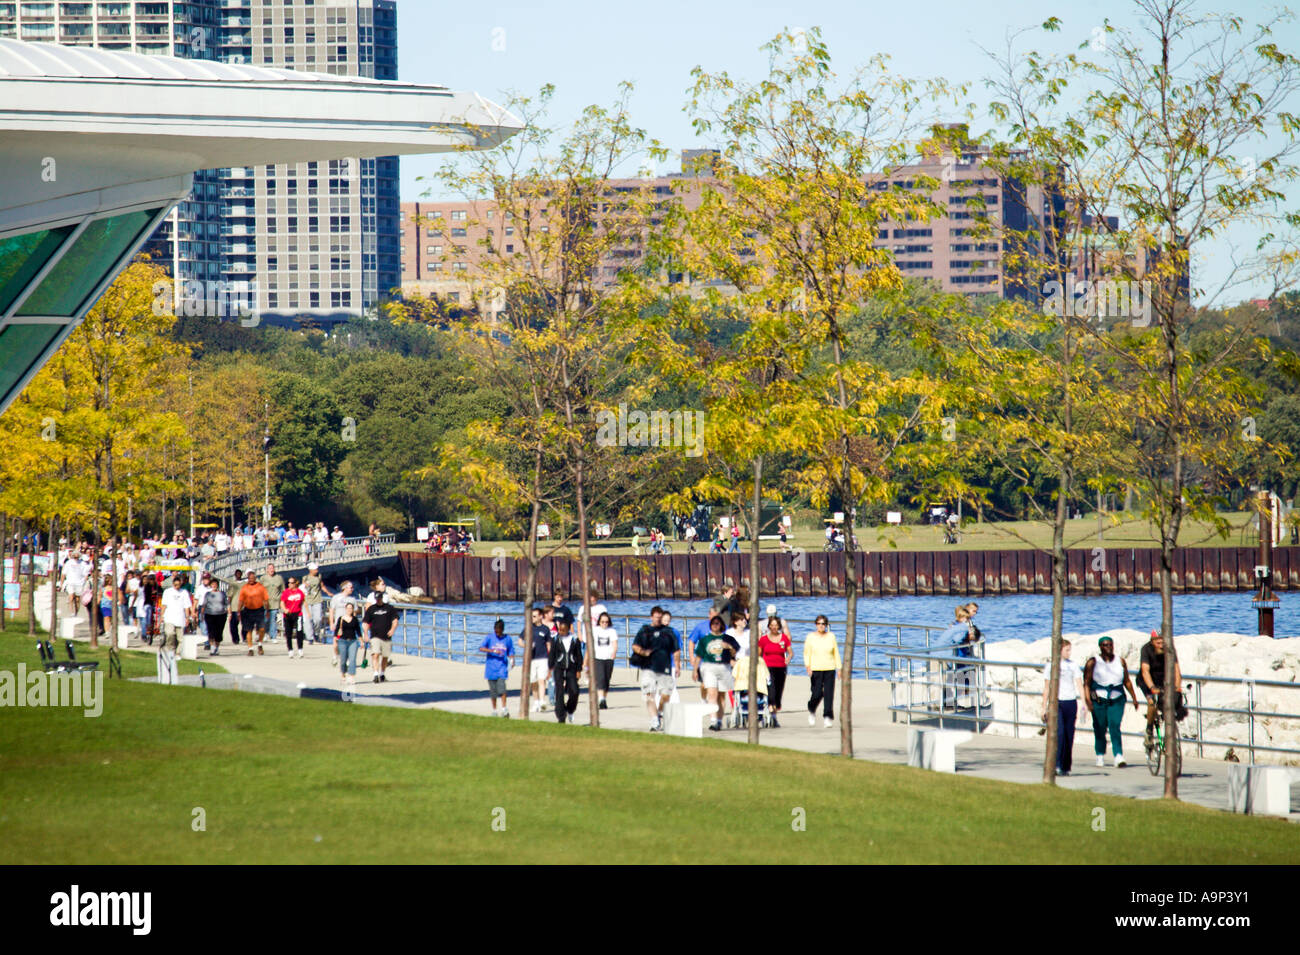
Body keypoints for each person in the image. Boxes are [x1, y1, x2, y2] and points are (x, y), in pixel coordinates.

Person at [1083, 636, 1140, 768]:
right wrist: (1088, 701)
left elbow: (1127, 681)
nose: (1108, 647)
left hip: (1117, 698)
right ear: (1100, 647)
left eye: (1110, 644)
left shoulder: (1120, 661)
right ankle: (1100, 754)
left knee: (1115, 725)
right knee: (1100, 727)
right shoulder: (1093, 662)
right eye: (1105, 645)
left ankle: (1118, 755)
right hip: (1099, 699)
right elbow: (1086, 683)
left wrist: (1134, 698)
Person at [1041, 640, 1087, 776]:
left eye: (1070, 650)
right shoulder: (1051, 666)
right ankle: (1056, 764)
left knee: (1069, 734)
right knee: (1059, 734)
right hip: (1057, 702)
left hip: (1070, 702)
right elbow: (1046, 687)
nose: (1069, 653)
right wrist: (1044, 706)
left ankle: (1066, 766)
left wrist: (1083, 703)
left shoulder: (1073, 666)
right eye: (1067, 650)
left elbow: (1079, 685)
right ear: (1060, 650)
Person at [632, 606, 678, 732]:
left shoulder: (668, 632)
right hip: (648, 667)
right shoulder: (644, 630)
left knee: (665, 695)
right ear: (651, 617)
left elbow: (676, 650)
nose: (658, 619)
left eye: (660, 617)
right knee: (649, 695)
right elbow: (635, 646)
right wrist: (643, 652)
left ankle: (659, 712)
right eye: (656, 617)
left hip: (665, 667)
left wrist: (678, 666)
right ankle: (654, 721)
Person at [694, 615, 740, 731]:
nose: (715, 625)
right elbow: (699, 656)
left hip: (724, 667)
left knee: (721, 696)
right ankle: (713, 720)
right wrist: (695, 670)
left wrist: (728, 647)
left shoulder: (728, 638)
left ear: (721, 625)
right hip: (709, 667)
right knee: (712, 693)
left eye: (717, 623)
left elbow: (735, 653)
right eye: (713, 623)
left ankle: (719, 720)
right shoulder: (705, 640)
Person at [1139, 629, 1185, 746]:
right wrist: (1152, 687)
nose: (1161, 645)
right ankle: (1149, 730)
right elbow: (1145, 671)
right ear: (1152, 642)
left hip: (1162, 680)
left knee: (1171, 702)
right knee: (1152, 702)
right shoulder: (1146, 649)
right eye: (1158, 643)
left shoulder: (1170, 649)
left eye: (1162, 643)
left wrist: (1177, 687)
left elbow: (1176, 670)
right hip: (1147, 680)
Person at [804, 615, 841, 728]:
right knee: (817, 693)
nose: (821, 626)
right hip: (816, 669)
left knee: (829, 693)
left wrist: (839, 668)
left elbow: (836, 652)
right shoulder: (810, 637)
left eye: (823, 624)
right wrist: (808, 667)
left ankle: (828, 716)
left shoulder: (831, 636)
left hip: (829, 668)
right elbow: (807, 653)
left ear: (826, 625)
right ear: (816, 625)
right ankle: (812, 708)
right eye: (819, 623)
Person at [547, 619, 584, 723]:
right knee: (559, 692)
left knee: (574, 691)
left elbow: (579, 656)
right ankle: (561, 716)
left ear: (568, 630)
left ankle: (570, 710)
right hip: (559, 668)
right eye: (559, 630)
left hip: (571, 668)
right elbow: (552, 655)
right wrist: (550, 669)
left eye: (563, 630)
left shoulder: (574, 640)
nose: (561, 632)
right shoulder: (555, 640)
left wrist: (579, 669)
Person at [758, 615, 793, 725]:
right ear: (768, 626)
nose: (774, 627)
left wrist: (788, 658)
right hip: (768, 668)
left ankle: (774, 715)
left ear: (779, 626)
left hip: (781, 668)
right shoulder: (763, 639)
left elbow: (790, 651)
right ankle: (770, 713)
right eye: (772, 625)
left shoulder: (784, 638)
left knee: (778, 692)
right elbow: (759, 654)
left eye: (776, 625)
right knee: (771, 690)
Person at [479, 619, 515, 717]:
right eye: (496, 632)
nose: (498, 634)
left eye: (499, 632)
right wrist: (492, 651)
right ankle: (494, 710)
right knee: (493, 691)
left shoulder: (507, 639)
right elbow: (481, 648)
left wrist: (512, 660)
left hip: (502, 668)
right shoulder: (489, 638)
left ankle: (504, 708)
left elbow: (511, 651)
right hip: (491, 669)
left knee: (502, 689)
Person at [362, 590, 398, 683]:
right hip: (375, 636)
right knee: (375, 654)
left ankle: (382, 673)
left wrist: (393, 629)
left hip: (386, 636)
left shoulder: (389, 608)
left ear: (382, 598)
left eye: (379, 598)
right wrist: (365, 634)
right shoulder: (371, 609)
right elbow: (365, 622)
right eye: (376, 598)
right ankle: (375, 674)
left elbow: (395, 620)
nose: (378, 600)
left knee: (385, 656)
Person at [522, 606, 551, 714]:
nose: (532, 618)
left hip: (543, 658)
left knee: (541, 680)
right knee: (533, 681)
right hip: (531, 659)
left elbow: (549, 644)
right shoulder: (528, 628)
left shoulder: (545, 629)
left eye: (534, 616)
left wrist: (550, 659)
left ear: (540, 617)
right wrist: (527, 645)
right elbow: (520, 641)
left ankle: (543, 701)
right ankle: (536, 701)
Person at [159, 574, 195, 657]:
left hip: (180, 617)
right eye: (175, 585)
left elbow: (187, 606)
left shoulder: (184, 592)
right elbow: (164, 605)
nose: (177, 587)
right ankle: (170, 650)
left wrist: (187, 617)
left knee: (180, 638)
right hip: (169, 617)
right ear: (172, 584)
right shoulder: (167, 592)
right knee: (170, 633)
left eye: (178, 585)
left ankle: (178, 653)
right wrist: (161, 616)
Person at [590, 611, 619, 709]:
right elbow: (590, 643)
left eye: (606, 622)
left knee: (606, 680)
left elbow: (615, 643)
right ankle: (601, 698)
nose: (604, 624)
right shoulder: (595, 630)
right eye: (602, 622)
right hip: (598, 657)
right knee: (600, 678)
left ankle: (604, 699)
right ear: (599, 622)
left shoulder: (612, 631)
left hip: (609, 658)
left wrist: (614, 652)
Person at [237, 572, 270, 656]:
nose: (251, 580)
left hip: (259, 610)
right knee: (249, 630)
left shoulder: (260, 587)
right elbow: (241, 600)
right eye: (249, 578)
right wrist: (238, 611)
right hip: (248, 611)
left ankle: (260, 644)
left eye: (252, 578)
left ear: (255, 578)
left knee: (262, 629)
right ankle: (250, 648)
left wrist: (267, 610)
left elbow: (266, 599)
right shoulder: (244, 588)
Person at [334, 601, 363, 691]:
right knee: (343, 660)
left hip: (353, 641)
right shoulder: (341, 618)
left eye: (351, 608)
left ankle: (351, 676)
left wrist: (361, 641)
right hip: (342, 641)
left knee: (352, 659)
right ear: (345, 609)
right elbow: (336, 631)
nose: (349, 610)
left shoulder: (355, 620)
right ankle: (343, 674)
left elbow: (358, 631)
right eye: (348, 608)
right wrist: (335, 641)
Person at [200, 573, 229, 656]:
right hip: (210, 614)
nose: (214, 586)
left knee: (218, 632)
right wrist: (201, 615)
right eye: (212, 584)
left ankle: (217, 647)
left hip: (221, 615)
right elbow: (204, 605)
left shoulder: (222, 594)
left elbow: (226, 604)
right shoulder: (208, 594)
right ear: (210, 585)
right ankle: (212, 647)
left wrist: (228, 612)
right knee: (211, 631)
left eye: (215, 584)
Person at [280, 576, 306, 658]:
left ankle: (300, 649)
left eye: (291, 583)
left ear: (295, 584)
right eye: (288, 583)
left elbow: (303, 602)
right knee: (288, 633)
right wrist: (285, 610)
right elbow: (282, 603)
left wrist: (307, 612)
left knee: (299, 632)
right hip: (288, 614)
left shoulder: (300, 592)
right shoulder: (286, 592)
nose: (289, 584)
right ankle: (290, 650)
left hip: (298, 614)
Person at [260, 562, 285, 644]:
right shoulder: (263, 578)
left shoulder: (279, 578)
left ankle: (273, 636)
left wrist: (282, 600)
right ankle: (265, 634)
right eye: (270, 568)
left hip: (275, 602)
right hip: (265, 603)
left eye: (273, 568)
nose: (272, 570)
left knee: (273, 619)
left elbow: (283, 590)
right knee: (265, 619)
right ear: (267, 570)